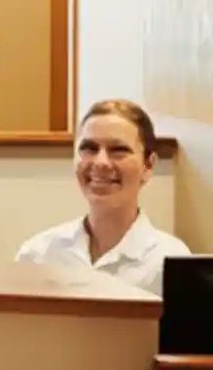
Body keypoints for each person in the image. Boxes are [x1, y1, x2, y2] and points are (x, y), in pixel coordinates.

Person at [15, 99, 190, 296]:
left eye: (118, 150)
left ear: (148, 166)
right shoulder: (39, 255)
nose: (101, 162)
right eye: (89, 148)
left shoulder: (170, 263)